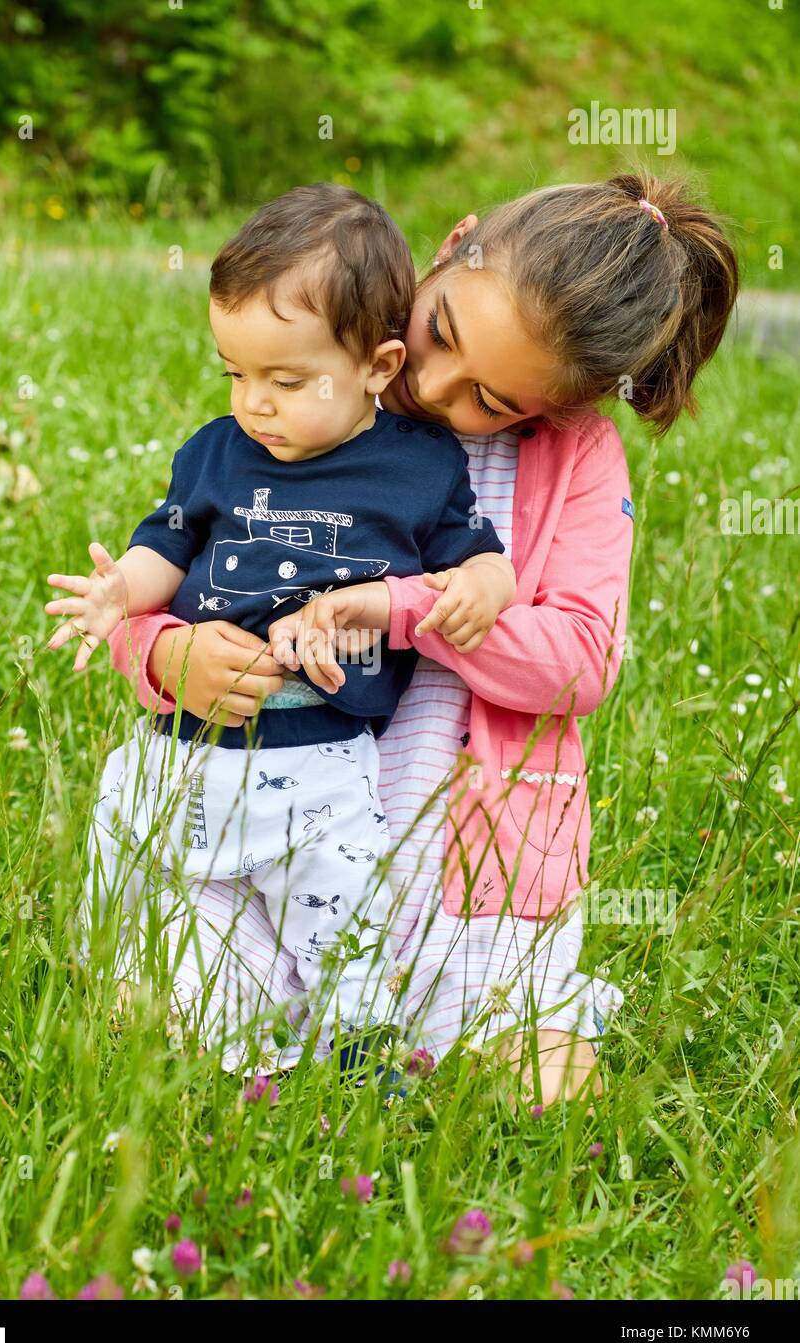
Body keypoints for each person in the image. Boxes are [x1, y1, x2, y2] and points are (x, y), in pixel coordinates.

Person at [108, 174, 738, 1102]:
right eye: (440, 332)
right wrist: (166, 658)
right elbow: (180, 566)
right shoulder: (314, 388)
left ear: (557, 405)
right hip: (266, 822)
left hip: (462, 855)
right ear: (452, 245)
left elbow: (579, 662)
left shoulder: (574, 459)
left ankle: (428, 1032)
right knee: (149, 1018)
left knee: (540, 1085)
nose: (435, 389)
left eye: (491, 397)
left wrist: (401, 608)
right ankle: (291, 1036)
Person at [45, 184, 514, 1066]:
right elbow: (167, 544)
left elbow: (478, 550)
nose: (254, 402)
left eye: (287, 381)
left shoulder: (417, 466)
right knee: (126, 858)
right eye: (236, 373)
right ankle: (134, 991)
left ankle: (359, 1037)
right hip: (181, 743)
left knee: (344, 899)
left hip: (320, 756)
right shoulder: (218, 450)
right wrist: (124, 597)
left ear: (378, 368)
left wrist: (487, 581)